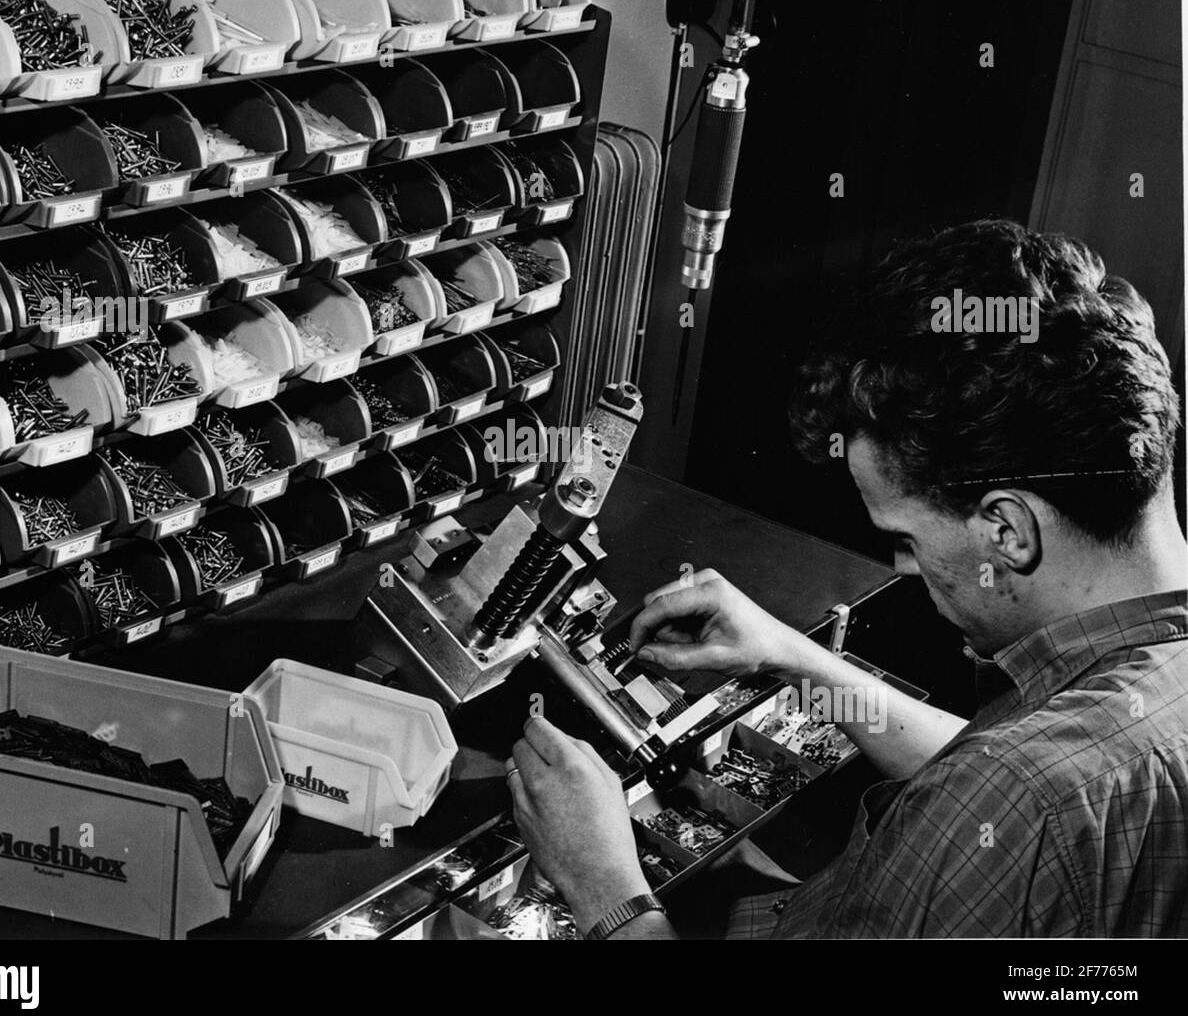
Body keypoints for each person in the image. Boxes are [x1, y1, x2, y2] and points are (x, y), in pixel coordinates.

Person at [505, 219, 1188, 939]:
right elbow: (1007, 779)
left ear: (1008, 531)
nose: (905, 568)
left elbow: (1007, 796)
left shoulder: (1013, 795)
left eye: (906, 540)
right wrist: (798, 660)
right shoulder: (1124, 699)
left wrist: (605, 890)